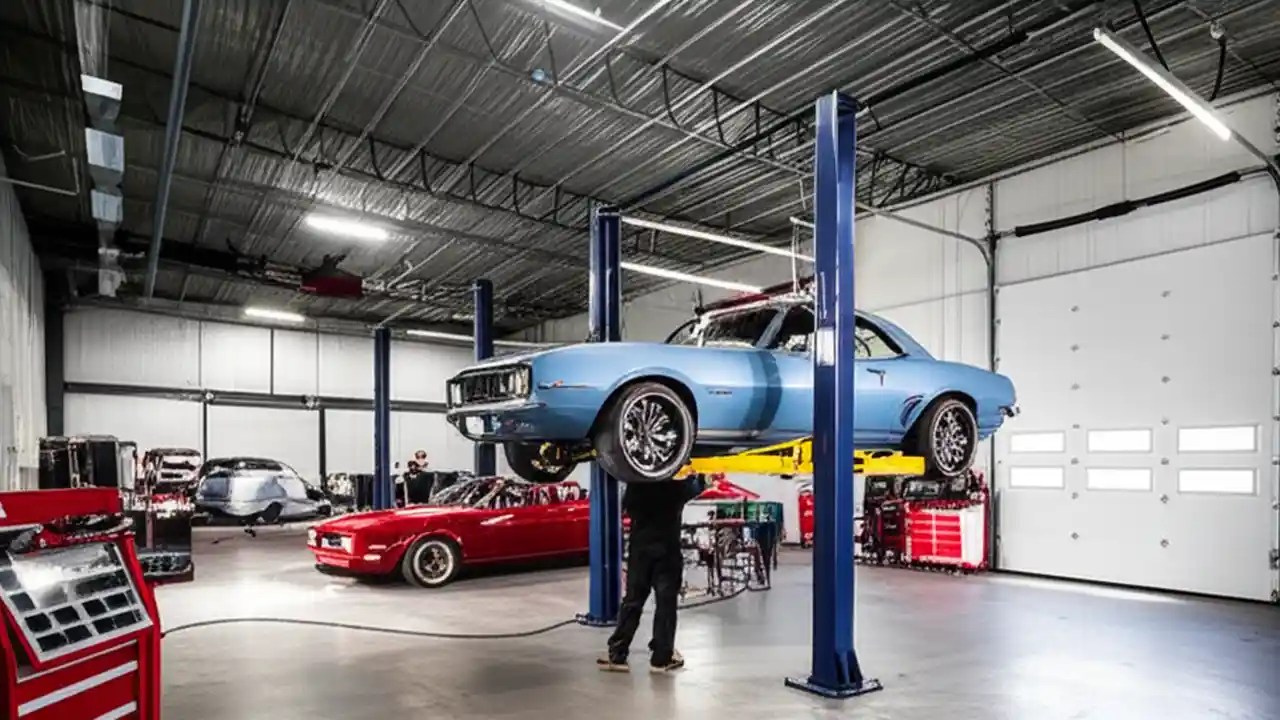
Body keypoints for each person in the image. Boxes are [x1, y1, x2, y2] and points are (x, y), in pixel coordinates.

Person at [598, 474, 707, 674]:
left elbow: (627, 505)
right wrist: (703, 478)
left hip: (641, 550)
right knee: (665, 604)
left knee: (632, 601)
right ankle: (661, 658)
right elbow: (695, 488)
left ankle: (617, 653)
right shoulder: (677, 484)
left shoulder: (637, 481)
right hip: (667, 550)